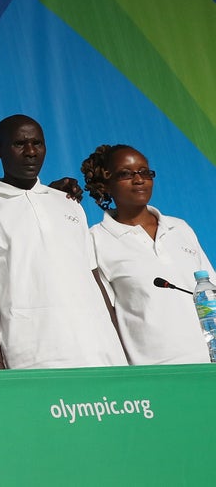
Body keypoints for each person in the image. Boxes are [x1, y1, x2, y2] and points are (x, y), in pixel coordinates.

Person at [0, 115, 126, 369]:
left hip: (101, 353)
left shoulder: (68, 203)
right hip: (35, 358)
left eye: (37, 143)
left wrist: (117, 343)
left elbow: (94, 278)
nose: (31, 152)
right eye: (19, 144)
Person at [82, 144, 213, 365]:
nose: (139, 179)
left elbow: (210, 293)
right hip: (153, 372)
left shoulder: (180, 228)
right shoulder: (96, 240)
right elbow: (106, 318)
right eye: (126, 174)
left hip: (208, 363)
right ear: (106, 183)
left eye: (145, 172)